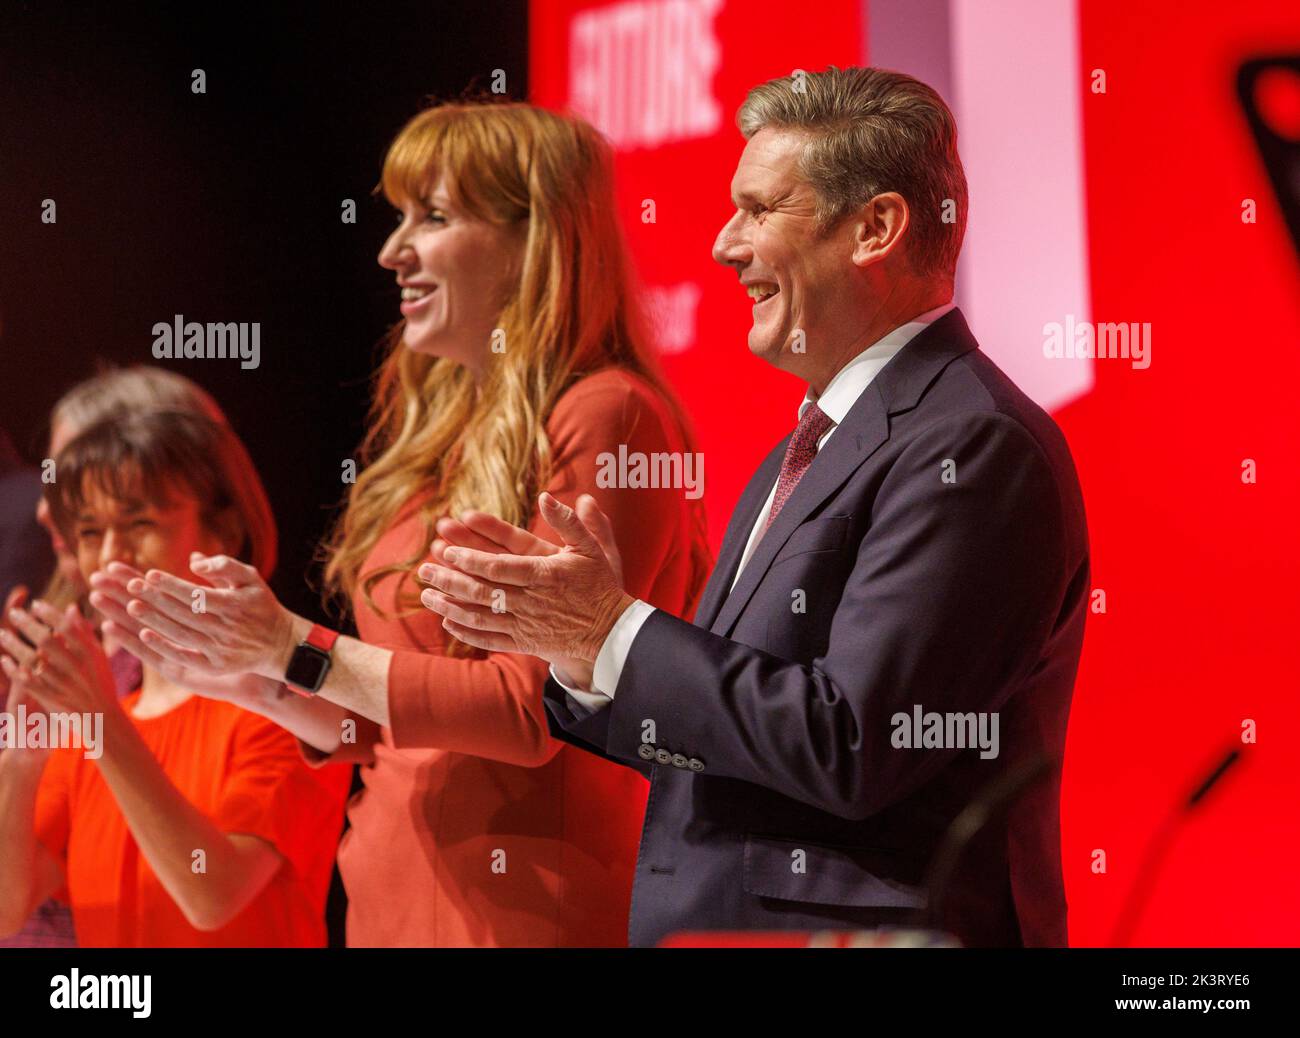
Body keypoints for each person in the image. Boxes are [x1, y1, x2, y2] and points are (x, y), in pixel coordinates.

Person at [419, 67, 1091, 948]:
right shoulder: (804, 448)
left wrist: (614, 631)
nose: (722, 245)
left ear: (876, 229)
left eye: (760, 209)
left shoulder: (972, 445)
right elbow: (730, 734)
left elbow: (854, 743)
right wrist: (581, 659)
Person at [95, 99, 712, 946]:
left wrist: (294, 648)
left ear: (534, 241)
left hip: (526, 919)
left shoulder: (610, 414)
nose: (392, 251)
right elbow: (377, 723)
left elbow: (529, 714)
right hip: (391, 906)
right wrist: (249, 675)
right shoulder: (441, 434)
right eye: (397, 219)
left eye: (434, 216)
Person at [0, 408, 350, 946]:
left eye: (140, 524)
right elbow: (6, 909)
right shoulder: (93, 730)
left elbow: (212, 896)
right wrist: (22, 753)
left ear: (226, 530)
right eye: (90, 532)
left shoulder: (283, 701)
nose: (112, 556)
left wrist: (99, 720)